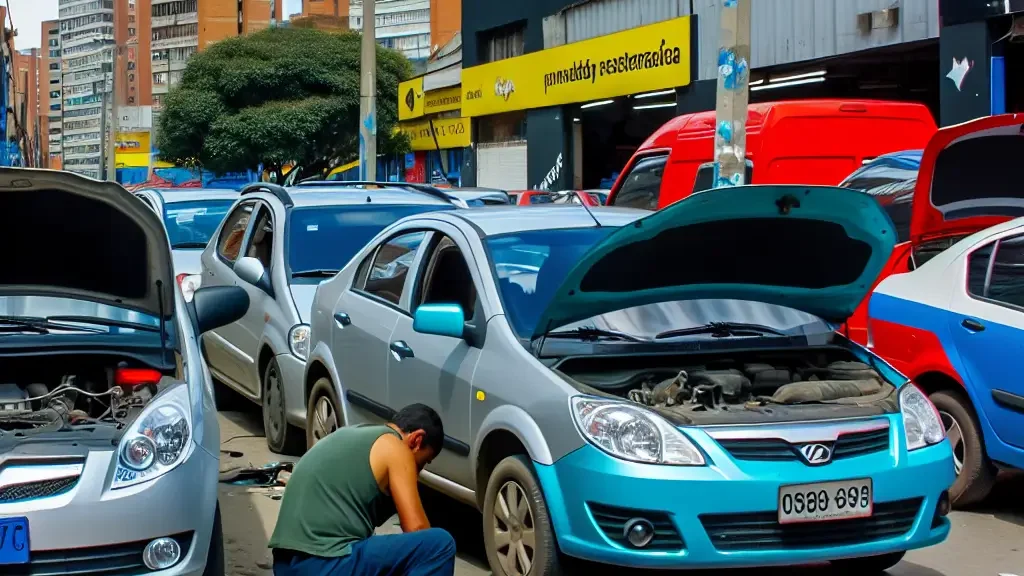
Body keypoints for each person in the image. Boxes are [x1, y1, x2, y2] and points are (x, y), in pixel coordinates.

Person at [269, 404, 456, 576]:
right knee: (439, 545)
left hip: (286, 564)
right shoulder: (396, 447)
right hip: (323, 563)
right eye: (423, 462)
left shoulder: (350, 435)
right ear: (416, 439)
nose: (418, 473)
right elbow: (417, 530)